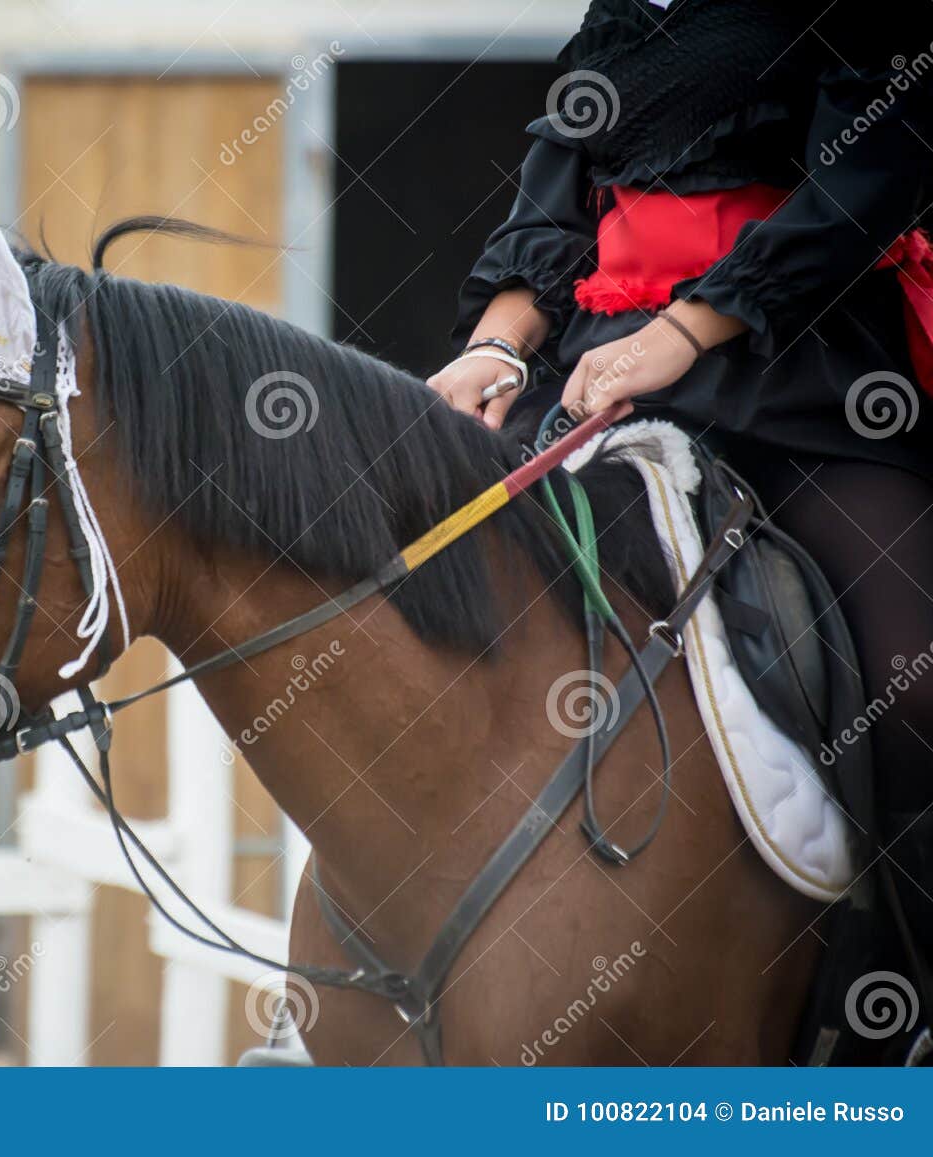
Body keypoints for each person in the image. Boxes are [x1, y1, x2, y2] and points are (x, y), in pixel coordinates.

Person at [431, 0, 932, 1005]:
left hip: (803, 378)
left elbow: (869, 181)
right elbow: (556, 203)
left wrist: (687, 327)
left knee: (911, 686)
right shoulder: (620, 15)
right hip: (598, 377)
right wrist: (494, 344)